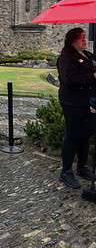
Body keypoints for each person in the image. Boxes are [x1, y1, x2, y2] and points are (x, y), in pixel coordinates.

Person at [56, 27, 96, 188]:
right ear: (72, 40)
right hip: (72, 102)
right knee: (72, 135)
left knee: (85, 134)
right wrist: (91, 76)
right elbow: (69, 79)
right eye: (82, 38)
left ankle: (82, 167)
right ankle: (66, 172)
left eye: (85, 37)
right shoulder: (66, 58)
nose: (85, 40)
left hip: (88, 102)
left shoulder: (87, 55)